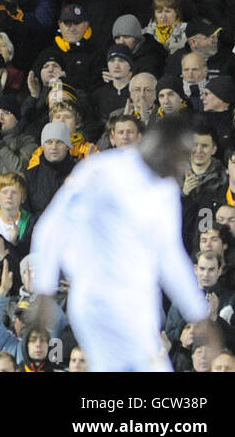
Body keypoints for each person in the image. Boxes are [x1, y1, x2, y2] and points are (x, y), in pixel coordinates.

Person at [28, 115, 221, 371]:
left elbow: (169, 256)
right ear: (158, 144)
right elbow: (53, 225)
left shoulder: (166, 190)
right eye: (180, 155)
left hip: (138, 304)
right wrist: (43, 289)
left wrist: (198, 314)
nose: (183, 165)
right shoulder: (102, 170)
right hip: (97, 300)